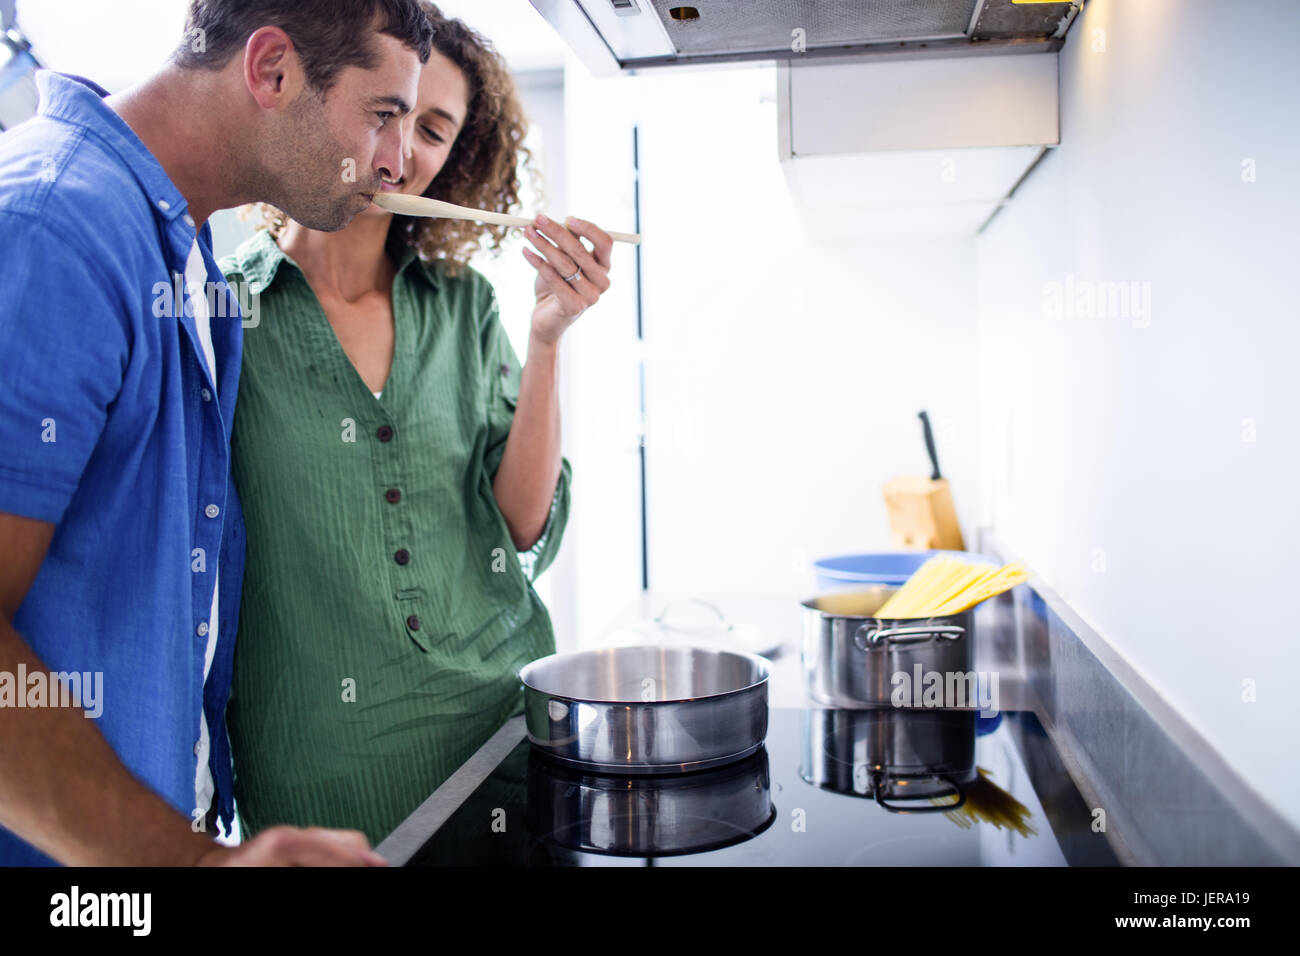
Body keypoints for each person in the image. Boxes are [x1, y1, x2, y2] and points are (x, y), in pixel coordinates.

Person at [0, 0, 435, 866]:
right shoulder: (53, 228)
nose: (396, 163)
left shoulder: (191, 259)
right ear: (272, 69)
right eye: (383, 114)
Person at [219, 3, 613, 845]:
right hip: (316, 768)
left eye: (433, 129)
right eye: (385, 113)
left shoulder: (465, 307)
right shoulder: (226, 312)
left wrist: (547, 339)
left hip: (505, 731)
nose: (399, 154)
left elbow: (522, 523)